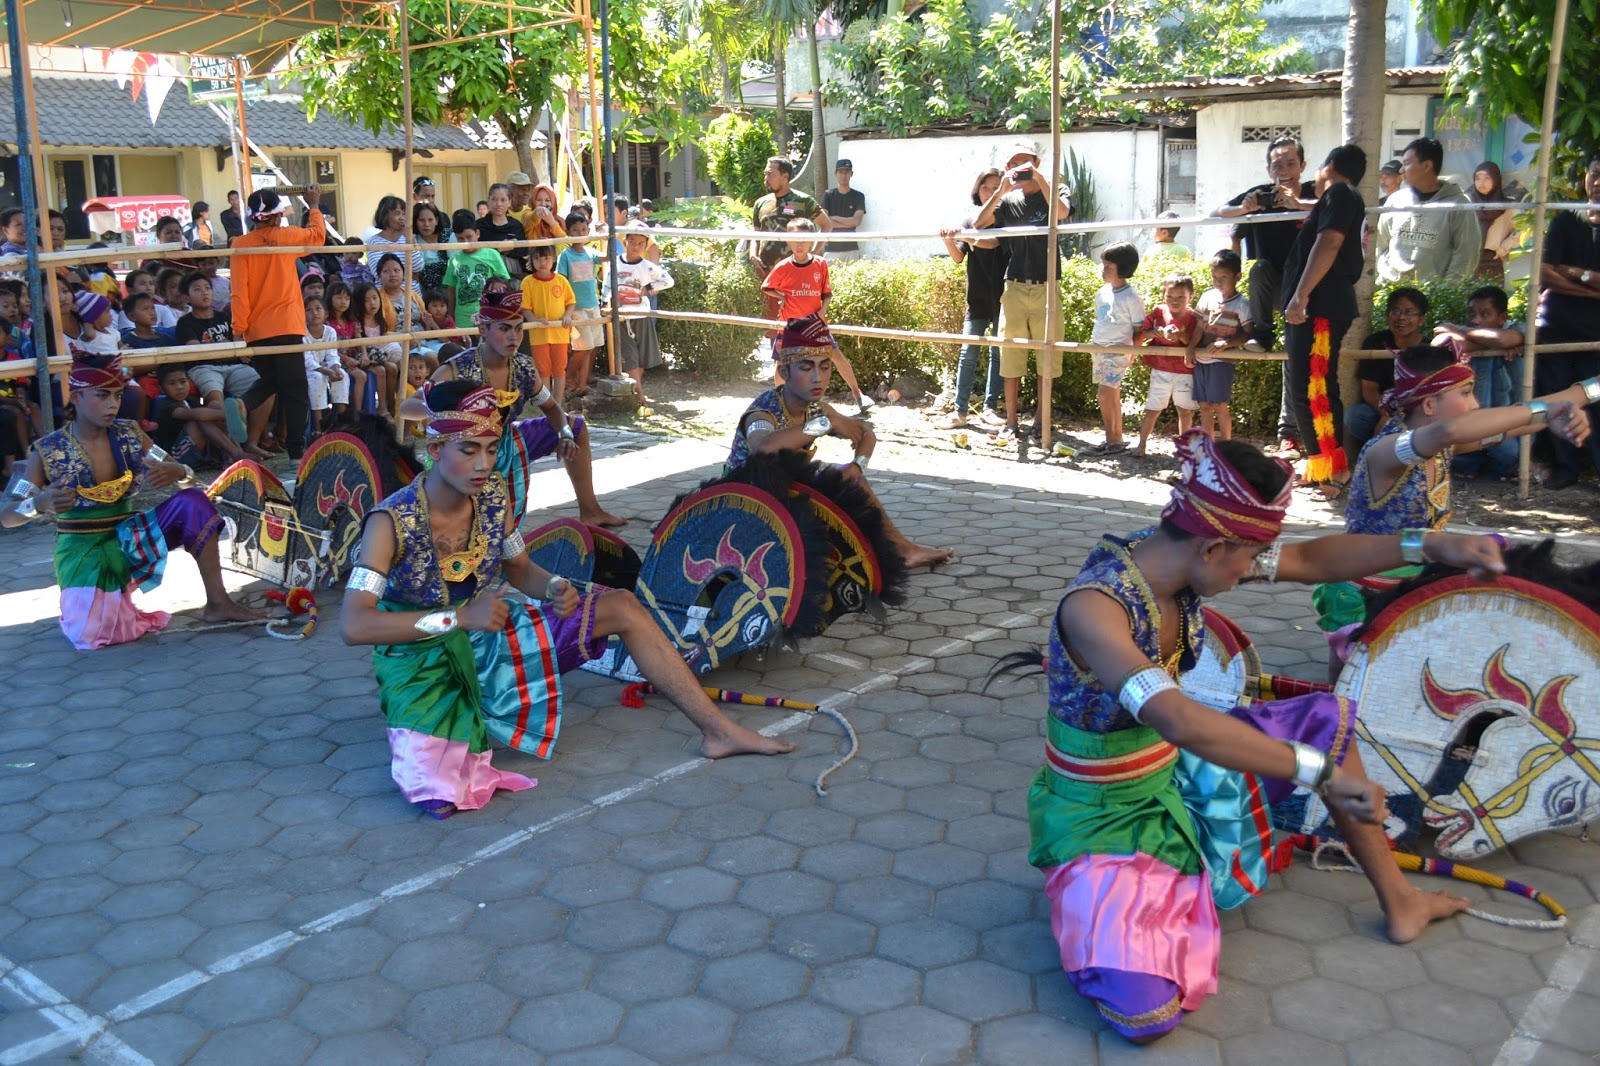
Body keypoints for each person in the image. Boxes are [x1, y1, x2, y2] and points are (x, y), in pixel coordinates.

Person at [1021, 427, 1509, 1043]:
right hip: (1099, 808)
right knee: (1144, 1016)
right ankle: (1095, 889)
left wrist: (1433, 544)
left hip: (1173, 767)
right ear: (1213, 547)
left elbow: (1314, 561)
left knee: (1323, 719)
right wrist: (1319, 772)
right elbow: (1178, 719)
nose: (1252, 570)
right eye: (1249, 557)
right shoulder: (1095, 607)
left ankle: (1401, 901)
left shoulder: (1177, 559)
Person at [341, 381, 793, 818]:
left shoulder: (492, 496)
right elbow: (355, 625)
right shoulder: (390, 521)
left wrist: (555, 585)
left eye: (492, 449)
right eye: (469, 450)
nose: (483, 464)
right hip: (418, 658)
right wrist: (457, 618)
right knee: (439, 797)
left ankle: (719, 731)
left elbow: (521, 569)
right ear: (436, 448)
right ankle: (442, 720)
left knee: (622, 605)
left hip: (488, 635)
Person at [1313, 348, 1595, 650]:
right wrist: (1543, 411)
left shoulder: (1444, 446)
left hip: (1418, 576)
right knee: (1353, 670)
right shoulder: (1385, 450)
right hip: (1363, 587)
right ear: (1430, 404)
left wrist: (1578, 399)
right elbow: (1450, 429)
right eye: (1466, 392)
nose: (1475, 404)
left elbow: (1515, 421)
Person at [1, 353, 262, 648]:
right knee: (93, 634)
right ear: (75, 397)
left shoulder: (132, 435)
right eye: (102, 395)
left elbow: (185, 478)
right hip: (82, 551)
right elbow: (7, 517)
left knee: (193, 501)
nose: (113, 404)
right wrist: (38, 505)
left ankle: (218, 603)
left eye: (117, 395)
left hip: (130, 538)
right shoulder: (47, 450)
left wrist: (181, 472)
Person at [727, 315, 953, 569]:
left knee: (850, 477)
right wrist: (826, 424)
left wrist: (858, 466)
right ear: (784, 372)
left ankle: (902, 551)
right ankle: (896, 551)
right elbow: (763, 448)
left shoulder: (818, 409)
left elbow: (866, 434)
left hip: (785, 490)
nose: (818, 378)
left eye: (825, 367)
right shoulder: (763, 411)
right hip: (745, 499)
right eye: (806, 368)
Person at [403, 281, 626, 529]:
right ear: (483, 329)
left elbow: (552, 408)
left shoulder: (524, 367)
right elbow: (407, 408)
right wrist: (453, 410)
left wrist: (564, 434)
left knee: (575, 427)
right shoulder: (456, 369)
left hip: (508, 440)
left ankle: (591, 511)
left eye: (519, 329)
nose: (514, 336)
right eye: (505, 328)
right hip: (466, 450)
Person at [1214, 135, 1318, 456]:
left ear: (1302, 166)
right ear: (1268, 169)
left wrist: (1298, 205)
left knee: (1296, 358)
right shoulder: (1260, 195)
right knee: (1259, 268)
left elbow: (1339, 211)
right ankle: (1262, 333)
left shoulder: (1315, 192)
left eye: (1290, 163)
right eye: (1277, 164)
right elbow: (1219, 211)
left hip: (1304, 293)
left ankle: (1291, 434)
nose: (1283, 169)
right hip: (1272, 292)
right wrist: (1244, 209)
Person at [974, 140, 1072, 446]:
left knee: (1047, 357)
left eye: (1026, 162)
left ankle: (1042, 422)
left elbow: (1062, 213)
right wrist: (1001, 191)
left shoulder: (1056, 190)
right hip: (1014, 285)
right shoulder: (1008, 200)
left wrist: (1040, 180)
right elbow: (979, 223)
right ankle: (1011, 422)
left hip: (1047, 286)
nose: (1021, 169)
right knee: (1011, 356)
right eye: (1015, 164)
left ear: (1037, 162)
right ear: (1007, 168)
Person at [1282, 144, 1367, 493]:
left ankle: (1333, 470)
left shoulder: (1340, 193)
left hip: (1320, 307)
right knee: (1308, 387)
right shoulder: (1338, 198)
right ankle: (1324, 464)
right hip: (1317, 308)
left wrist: (1301, 295)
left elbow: (1329, 242)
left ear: (1329, 166)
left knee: (1313, 387)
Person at [232, 185, 325, 461]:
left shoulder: (240, 244)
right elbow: (318, 236)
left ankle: (244, 403)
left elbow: (239, 291)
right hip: (286, 325)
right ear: (276, 216)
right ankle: (296, 452)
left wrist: (239, 330)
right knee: (295, 389)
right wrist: (314, 205)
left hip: (256, 330)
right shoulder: (285, 236)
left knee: (273, 380)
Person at [1533, 148, 1600, 490]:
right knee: (1556, 401)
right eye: (1594, 173)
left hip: (1596, 337)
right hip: (1556, 330)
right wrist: (1593, 289)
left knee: (1596, 403)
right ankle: (1565, 469)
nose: (1598, 182)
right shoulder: (1564, 221)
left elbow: (1559, 272)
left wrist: (1577, 273)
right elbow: (1544, 272)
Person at [762, 218, 871, 409]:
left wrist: (822, 311)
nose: (800, 244)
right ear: (788, 240)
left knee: (836, 355)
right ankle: (781, 403)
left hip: (815, 323)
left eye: (804, 239)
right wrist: (782, 296)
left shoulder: (820, 264)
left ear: (812, 240)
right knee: (781, 364)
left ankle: (858, 395)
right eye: (795, 239)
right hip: (789, 324)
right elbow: (766, 286)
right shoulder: (783, 266)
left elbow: (827, 293)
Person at [937, 168, 1009, 429]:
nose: (990, 192)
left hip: (1004, 297)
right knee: (968, 353)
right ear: (978, 190)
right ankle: (960, 412)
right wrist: (949, 240)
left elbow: (992, 243)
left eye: (995, 187)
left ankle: (990, 409)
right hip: (977, 297)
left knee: (997, 353)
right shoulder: (969, 221)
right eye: (985, 187)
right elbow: (959, 257)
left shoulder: (1006, 220)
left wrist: (964, 236)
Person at [1431, 287, 1527, 479]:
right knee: (1456, 454)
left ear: (1502, 317)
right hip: (1471, 420)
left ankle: (1497, 467)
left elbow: (1505, 338)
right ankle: (1474, 464)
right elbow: (1440, 342)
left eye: (1484, 314)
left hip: (1508, 422)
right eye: (1471, 314)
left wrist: (1458, 331)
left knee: (1510, 453)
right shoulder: (1474, 333)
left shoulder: (1519, 328)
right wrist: (1496, 341)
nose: (1475, 320)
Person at [1374, 137, 1481, 284]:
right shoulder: (1395, 201)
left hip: (1433, 294)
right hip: (1391, 291)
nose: (1401, 170)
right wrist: (1385, 277)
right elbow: (1380, 246)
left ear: (1427, 166)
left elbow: (1466, 255)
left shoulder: (1458, 205)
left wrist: (1445, 291)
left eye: (1407, 163)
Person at [747, 157, 829, 346]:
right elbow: (755, 233)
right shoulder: (760, 203)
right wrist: (753, 253)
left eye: (770, 174)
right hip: (769, 274)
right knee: (772, 322)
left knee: (801, 321)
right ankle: (778, 360)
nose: (766, 178)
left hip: (797, 274)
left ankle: (802, 358)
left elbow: (827, 225)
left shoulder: (803, 201)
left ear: (784, 176)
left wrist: (814, 252)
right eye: (766, 174)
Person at [1345, 287, 1428, 464]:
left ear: (1421, 319)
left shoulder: (1430, 348)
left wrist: (1404, 416)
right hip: (1384, 410)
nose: (1401, 317)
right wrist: (1388, 414)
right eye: (1395, 311)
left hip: (1418, 413)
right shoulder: (1375, 342)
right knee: (1355, 416)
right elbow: (1369, 388)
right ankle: (1387, 452)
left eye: (1409, 312)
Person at [603, 224, 674, 407]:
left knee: (642, 356)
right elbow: (607, 285)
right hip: (622, 316)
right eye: (632, 241)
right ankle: (640, 394)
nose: (636, 246)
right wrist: (605, 303)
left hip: (641, 314)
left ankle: (636, 388)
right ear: (625, 242)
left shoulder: (647, 267)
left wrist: (649, 287)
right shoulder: (615, 263)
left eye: (641, 243)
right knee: (630, 355)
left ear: (646, 246)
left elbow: (668, 280)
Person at [1133, 274, 1202, 457]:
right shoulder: (1158, 312)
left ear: (1190, 297)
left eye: (1181, 297)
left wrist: (1179, 335)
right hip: (1160, 369)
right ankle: (1141, 444)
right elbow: (1144, 332)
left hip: (1185, 371)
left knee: (1185, 411)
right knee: (1153, 409)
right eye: (1170, 296)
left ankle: (1184, 448)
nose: (1175, 301)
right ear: (1163, 295)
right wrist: (1155, 332)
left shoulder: (1193, 317)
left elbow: (1193, 342)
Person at [1189, 250, 1252, 442]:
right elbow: (1199, 326)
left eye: (1223, 277)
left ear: (1237, 277)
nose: (1218, 281)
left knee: (1220, 405)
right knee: (1204, 405)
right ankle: (1209, 445)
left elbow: (1248, 333)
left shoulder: (1241, 304)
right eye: (1214, 276)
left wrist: (1227, 343)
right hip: (1202, 359)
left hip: (1222, 361)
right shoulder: (1207, 297)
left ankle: (1227, 444)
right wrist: (1191, 348)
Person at [1088, 242, 1145, 454]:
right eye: (1103, 265)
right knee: (1112, 394)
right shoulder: (1102, 292)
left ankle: (1111, 439)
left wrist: (1134, 352)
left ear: (1123, 268)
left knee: (1104, 394)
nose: (1103, 270)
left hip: (1118, 352)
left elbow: (1139, 329)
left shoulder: (1131, 297)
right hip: (1099, 350)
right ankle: (1116, 437)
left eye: (1109, 267)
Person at [151, 362, 243, 466]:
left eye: (183, 382)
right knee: (200, 418)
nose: (179, 387)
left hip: (200, 449)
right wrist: (229, 414)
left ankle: (233, 453)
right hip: (177, 456)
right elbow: (196, 415)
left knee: (215, 404)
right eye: (172, 384)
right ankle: (236, 454)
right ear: (161, 388)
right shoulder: (165, 405)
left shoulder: (191, 401)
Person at [520, 244, 578, 405]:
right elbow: (525, 308)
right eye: (537, 258)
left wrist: (567, 315)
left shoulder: (561, 280)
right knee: (543, 370)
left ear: (554, 259)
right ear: (531, 260)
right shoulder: (527, 282)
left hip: (560, 334)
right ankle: (547, 405)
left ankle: (557, 404)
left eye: (546, 258)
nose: (542, 262)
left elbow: (571, 302)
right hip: (539, 336)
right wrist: (534, 321)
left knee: (559, 369)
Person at [558, 210, 603, 400]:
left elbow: (609, 257)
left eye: (583, 230)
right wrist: (565, 309)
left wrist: (604, 234)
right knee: (583, 346)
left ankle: (582, 384)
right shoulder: (565, 256)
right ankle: (568, 377)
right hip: (575, 308)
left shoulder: (591, 253)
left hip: (593, 305)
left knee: (593, 346)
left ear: (588, 231)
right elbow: (561, 281)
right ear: (567, 232)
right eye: (575, 230)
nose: (579, 233)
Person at [443, 209, 510, 326]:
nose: (466, 242)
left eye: (469, 237)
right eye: (460, 239)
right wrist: (451, 318)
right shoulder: (453, 260)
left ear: (477, 233)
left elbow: (504, 284)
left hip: (488, 316)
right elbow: (451, 292)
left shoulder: (492, 254)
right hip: (462, 319)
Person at [304, 293, 347, 436]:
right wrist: (327, 372)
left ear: (326, 314)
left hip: (327, 368)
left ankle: (340, 422)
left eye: (318, 309)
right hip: (309, 370)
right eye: (309, 310)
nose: (314, 313)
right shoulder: (302, 333)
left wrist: (336, 369)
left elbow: (332, 355)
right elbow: (308, 361)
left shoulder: (330, 332)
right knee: (317, 378)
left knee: (343, 376)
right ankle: (318, 427)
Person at [1469, 162, 1518, 282]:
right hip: (1468, 259)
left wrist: (1504, 247)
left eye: (1486, 178)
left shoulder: (1507, 206)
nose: (1481, 183)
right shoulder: (1468, 204)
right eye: (1477, 178)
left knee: (1491, 293)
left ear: (1495, 179)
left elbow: (1524, 228)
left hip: (1492, 259)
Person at [479, 183, 530, 279]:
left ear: (509, 202)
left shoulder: (516, 225)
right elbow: (478, 251)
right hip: (487, 270)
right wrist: (500, 248)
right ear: (488, 201)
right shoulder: (480, 225)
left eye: (503, 200)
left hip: (513, 272)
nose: (498, 204)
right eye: (494, 199)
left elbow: (522, 251)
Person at [821, 159, 866, 260]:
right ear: (835, 174)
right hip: (831, 248)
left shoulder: (858, 196)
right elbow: (824, 221)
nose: (843, 175)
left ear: (851, 174)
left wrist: (834, 218)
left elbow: (856, 221)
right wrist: (848, 223)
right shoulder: (828, 195)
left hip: (851, 248)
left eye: (846, 172)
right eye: (840, 172)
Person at [367, 195, 423, 275]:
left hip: (410, 284)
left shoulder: (408, 239)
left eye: (404, 214)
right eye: (397, 213)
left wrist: (410, 241)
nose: (402, 218)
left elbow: (418, 267)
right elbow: (378, 273)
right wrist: (409, 275)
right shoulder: (374, 242)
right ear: (384, 215)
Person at [413, 202, 451, 296]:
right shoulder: (413, 240)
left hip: (449, 291)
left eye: (430, 220)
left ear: (436, 220)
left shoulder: (448, 236)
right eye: (421, 220)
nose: (426, 224)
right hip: (423, 293)